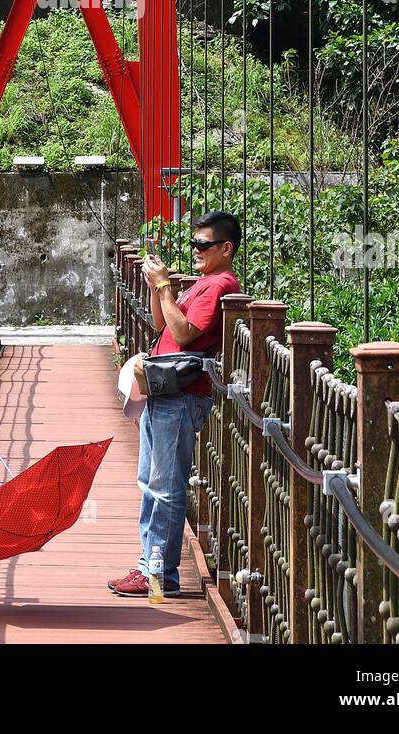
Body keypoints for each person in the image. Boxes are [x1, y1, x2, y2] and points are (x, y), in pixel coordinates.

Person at [109, 211, 242, 598]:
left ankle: (159, 574)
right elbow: (160, 324)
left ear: (225, 249)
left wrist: (167, 286)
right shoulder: (202, 283)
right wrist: (157, 288)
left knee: (165, 487)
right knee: (150, 483)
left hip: (181, 396)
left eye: (203, 245)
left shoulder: (220, 284)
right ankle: (149, 568)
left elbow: (183, 336)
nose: (196, 251)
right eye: (194, 244)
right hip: (164, 391)